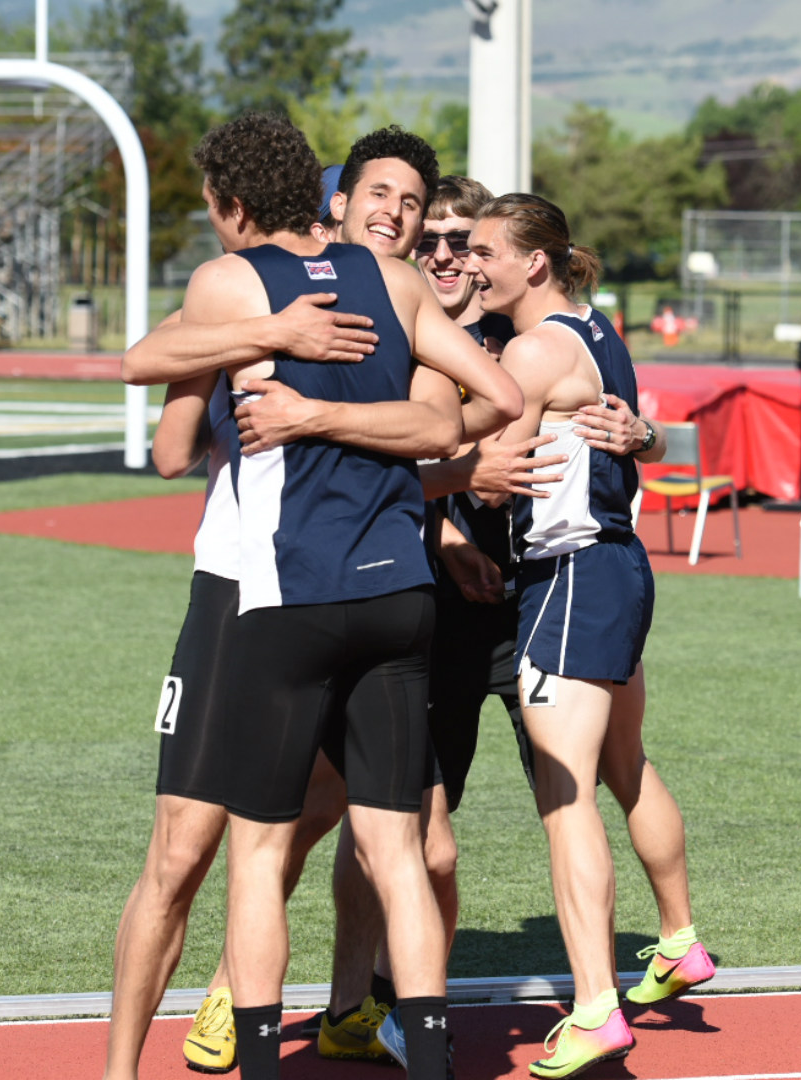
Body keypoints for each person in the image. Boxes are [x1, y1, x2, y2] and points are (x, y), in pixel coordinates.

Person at [100, 115, 519, 1080]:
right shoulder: (360, 286)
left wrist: (292, 386)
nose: (399, 216)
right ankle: (399, 1044)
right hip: (342, 587)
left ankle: (243, 1039)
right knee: (365, 849)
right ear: (332, 196)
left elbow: (161, 423)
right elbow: (484, 405)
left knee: (246, 850)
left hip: (277, 593)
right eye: (384, 198)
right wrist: (276, 351)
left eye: (413, 203)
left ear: (231, 204)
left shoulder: (270, 283)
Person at [467, 193, 715, 1079]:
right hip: (617, 566)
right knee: (624, 763)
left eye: (485, 251)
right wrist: (646, 439)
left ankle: (596, 1007)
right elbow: (632, 437)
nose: (472, 265)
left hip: (570, 575)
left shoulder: (532, 350)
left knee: (563, 794)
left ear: (533, 262)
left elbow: (491, 476)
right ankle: (679, 939)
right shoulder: (598, 328)